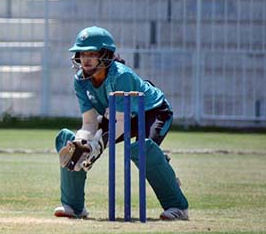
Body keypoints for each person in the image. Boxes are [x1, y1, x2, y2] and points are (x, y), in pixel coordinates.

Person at [55, 26, 189, 221]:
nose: (86, 59)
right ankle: (74, 207)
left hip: (152, 110)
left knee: (143, 150)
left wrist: (98, 146)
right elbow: (89, 123)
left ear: (106, 54)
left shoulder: (120, 76)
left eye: (92, 53)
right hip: (118, 115)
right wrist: (83, 143)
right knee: (71, 143)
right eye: (83, 53)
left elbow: (120, 123)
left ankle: (177, 206)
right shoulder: (80, 81)